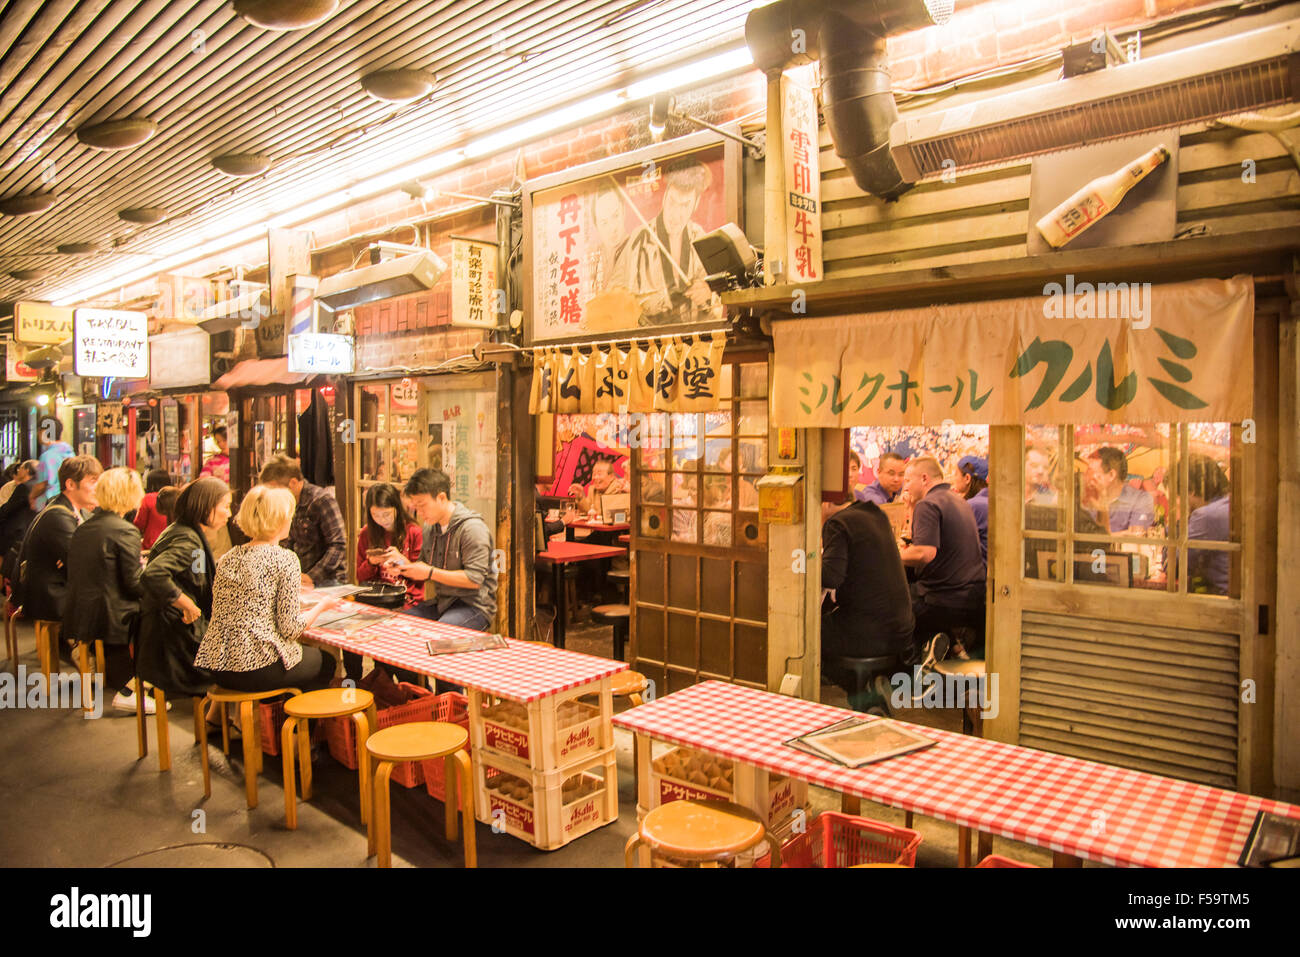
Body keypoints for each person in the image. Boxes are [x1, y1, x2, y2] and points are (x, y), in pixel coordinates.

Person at [194, 485, 339, 692]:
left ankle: (269, 716)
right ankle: (299, 723)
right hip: (256, 665)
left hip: (218, 665)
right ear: (280, 519)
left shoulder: (228, 558)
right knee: (326, 662)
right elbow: (290, 629)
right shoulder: (284, 558)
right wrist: (322, 605)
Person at [136, 477, 229, 702]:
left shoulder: (187, 534)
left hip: (168, 634)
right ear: (206, 508)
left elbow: (193, 572)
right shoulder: (188, 540)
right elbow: (154, 574)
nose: (229, 513)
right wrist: (186, 603)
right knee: (244, 661)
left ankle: (218, 722)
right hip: (173, 642)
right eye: (225, 506)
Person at [63, 468, 148, 713]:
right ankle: (130, 688)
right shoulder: (125, 530)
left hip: (81, 610)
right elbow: (133, 583)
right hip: (110, 614)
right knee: (160, 613)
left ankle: (129, 684)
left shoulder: (85, 527)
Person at [384, 468, 497, 631]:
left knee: (437, 633)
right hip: (443, 603)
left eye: (422, 506)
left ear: (441, 497)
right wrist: (400, 563)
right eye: (416, 507)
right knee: (396, 626)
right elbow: (422, 567)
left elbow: (475, 579)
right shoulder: (431, 528)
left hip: (475, 606)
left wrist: (430, 572)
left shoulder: (472, 528)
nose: (420, 513)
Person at [899, 457, 986, 660]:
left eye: (908, 480)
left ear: (924, 478)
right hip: (973, 596)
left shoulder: (928, 504)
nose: (906, 486)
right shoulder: (958, 500)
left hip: (945, 600)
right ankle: (953, 649)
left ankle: (906, 675)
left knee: (893, 605)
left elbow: (924, 553)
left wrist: (892, 554)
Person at [16, 456, 102, 656]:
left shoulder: (68, 510)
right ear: (71, 484)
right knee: (114, 609)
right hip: (51, 595)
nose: (97, 488)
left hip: (57, 588)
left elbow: (79, 557)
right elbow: (81, 562)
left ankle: (96, 663)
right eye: (92, 481)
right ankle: (98, 665)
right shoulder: (59, 515)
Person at [820, 491, 915, 662]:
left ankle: (841, 684)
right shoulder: (876, 513)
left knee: (804, 630)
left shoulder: (837, 523)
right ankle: (870, 682)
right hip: (902, 630)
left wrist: (801, 562)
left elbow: (830, 577)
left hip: (871, 635)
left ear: (825, 503)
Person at [624, 158, 720, 326]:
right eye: (672, 202)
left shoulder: (700, 238)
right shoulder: (641, 240)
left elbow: (718, 303)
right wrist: (668, 298)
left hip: (694, 344)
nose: (675, 215)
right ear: (664, 196)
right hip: (652, 344)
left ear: (695, 204)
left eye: (684, 206)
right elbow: (629, 302)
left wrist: (707, 291)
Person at [349, 483, 425, 683]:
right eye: (376, 515)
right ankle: (359, 683)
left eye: (386, 514)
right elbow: (360, 575)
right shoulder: (367, 533)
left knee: (395, 649)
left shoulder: (413, 532)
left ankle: (404, 690)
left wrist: (402, 562)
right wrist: (372, 562)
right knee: (349, 636)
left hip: (406, 599)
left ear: (396, 509)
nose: (381, 520)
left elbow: (422, 575)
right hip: (376, 599)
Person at [258, 454, 345, 587]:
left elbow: (338, 544)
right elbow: (289, 542)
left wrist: (311, 576)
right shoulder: (286, 503)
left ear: (293, 482)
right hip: (298, 575)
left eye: (274, 488)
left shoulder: (321, 500)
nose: (272, 494)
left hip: (328, 580)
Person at [1165, 454, 1231, 596]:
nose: (1174, 501)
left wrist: (1178, 517)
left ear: (1190, 491)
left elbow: (1172, 567)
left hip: (1219, 598)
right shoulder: (1227, 504)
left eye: (1175, 495)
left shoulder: (1206, 516)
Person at [1085, 447, 1155, 533]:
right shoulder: (1085, 500)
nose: (1086, 476)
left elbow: (1136, 536)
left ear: (1111, 475)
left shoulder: (1140, 499)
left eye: (1090, 471)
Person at [0, 461, 42, 570]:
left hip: (15, 534)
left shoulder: (25, 487)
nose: (18, 470)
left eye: (21, 467)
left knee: (5, 568)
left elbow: (8, 509)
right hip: (30, 532)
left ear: (27, 470)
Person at [954, 455, 989, 561]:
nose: (953, 478)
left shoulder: (973, 506)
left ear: (967, 478)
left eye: (956, 474)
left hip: (977, 570)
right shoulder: (989, 500)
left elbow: (955, 543)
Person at [35, 417, 75, 505]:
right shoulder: (69, 452)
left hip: (52, 502)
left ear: (44, 432)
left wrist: (32, 497)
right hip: (69, 501)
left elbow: (44, 483)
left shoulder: (47, 456)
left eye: (38, 430)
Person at [132, 469, 174, 550]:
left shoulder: (148, 498)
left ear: (151, 483)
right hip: (173, 542)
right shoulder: (176, 496)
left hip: (152, 544)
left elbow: (140, 524)